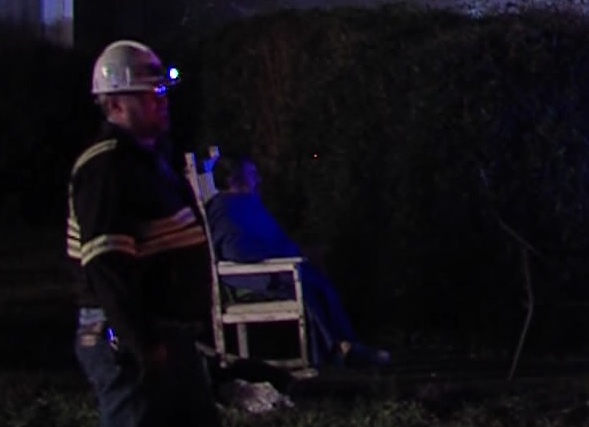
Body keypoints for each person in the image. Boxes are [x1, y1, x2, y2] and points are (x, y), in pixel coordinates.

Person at [67, 39, 220, 427]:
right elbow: (106, 265)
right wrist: (143, 344)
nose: (161, 101)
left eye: (162, 92)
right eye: (149, 95)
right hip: (129, 338)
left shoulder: (146, 160)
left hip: (164, 333)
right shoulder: (107, 168)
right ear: (115, 104)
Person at [203, 154, 390, 368]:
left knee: (317, 282)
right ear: (234, 178)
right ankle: (336, 350)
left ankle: (344, 346)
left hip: (275, 269)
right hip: (251, 276)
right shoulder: (225, 209)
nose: (258, 180)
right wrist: (277, 255)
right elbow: (233, 248)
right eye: (251, 174)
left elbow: (271, 239)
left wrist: (291, 252)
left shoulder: (246, 204)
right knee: (307, 287)